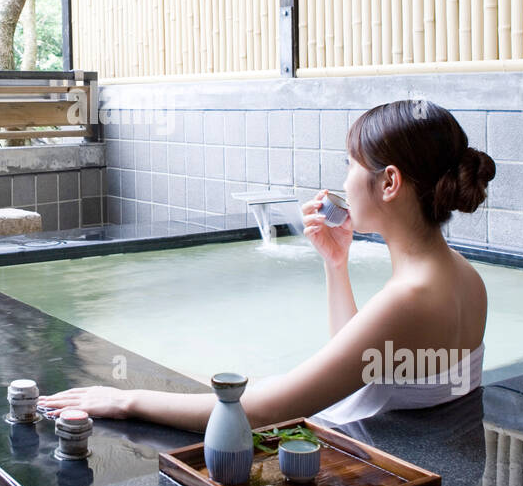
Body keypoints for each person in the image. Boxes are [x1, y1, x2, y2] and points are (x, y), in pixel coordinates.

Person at [38, 99, 497, 433]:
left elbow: (262, 414)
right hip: (414, 448)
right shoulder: (463, 276)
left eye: (350, 164)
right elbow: (364, 362)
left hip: (377, 470)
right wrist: (336, 264)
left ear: (389, 182)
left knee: (223, 397)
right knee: (220, 380)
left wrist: (124, 400)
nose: (343, 179)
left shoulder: (408, 299)